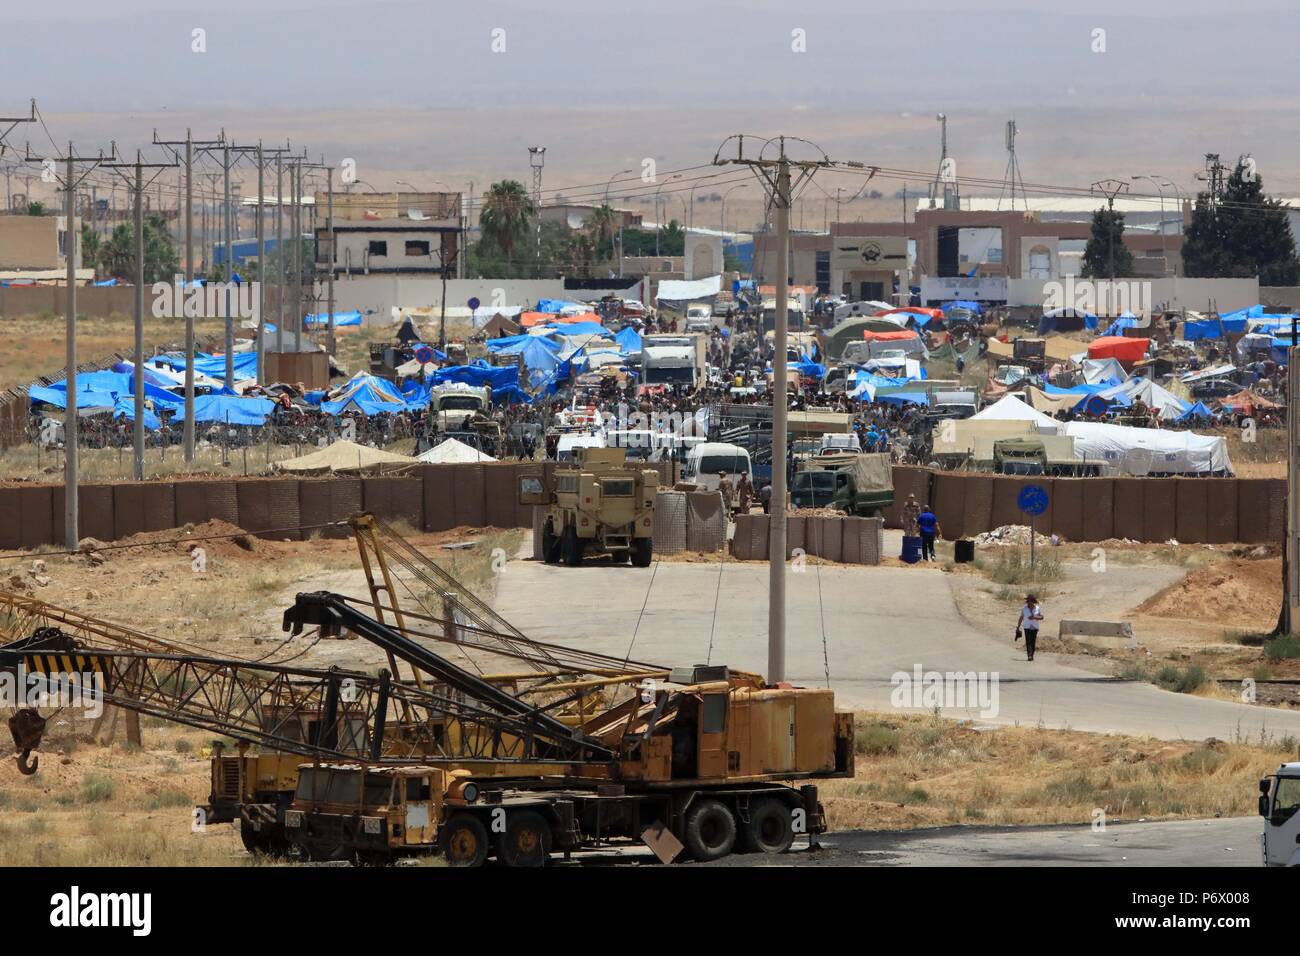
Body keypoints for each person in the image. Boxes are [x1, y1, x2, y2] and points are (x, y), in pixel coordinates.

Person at [1017, 594, 1044, 661]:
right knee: (1028, 641)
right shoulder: (1024, 608)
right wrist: (1018, 626)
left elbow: (1041, 617)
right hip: (1027, 627)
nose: (1029, 602)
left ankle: (1032, 655)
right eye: (1028, 601)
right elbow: (1021, 617)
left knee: (1033, 641)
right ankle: (1029, 655)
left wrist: (1034, 617)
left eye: (1030, 601)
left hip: (1035, 627)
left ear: (1033, 601)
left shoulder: (1037, 608)